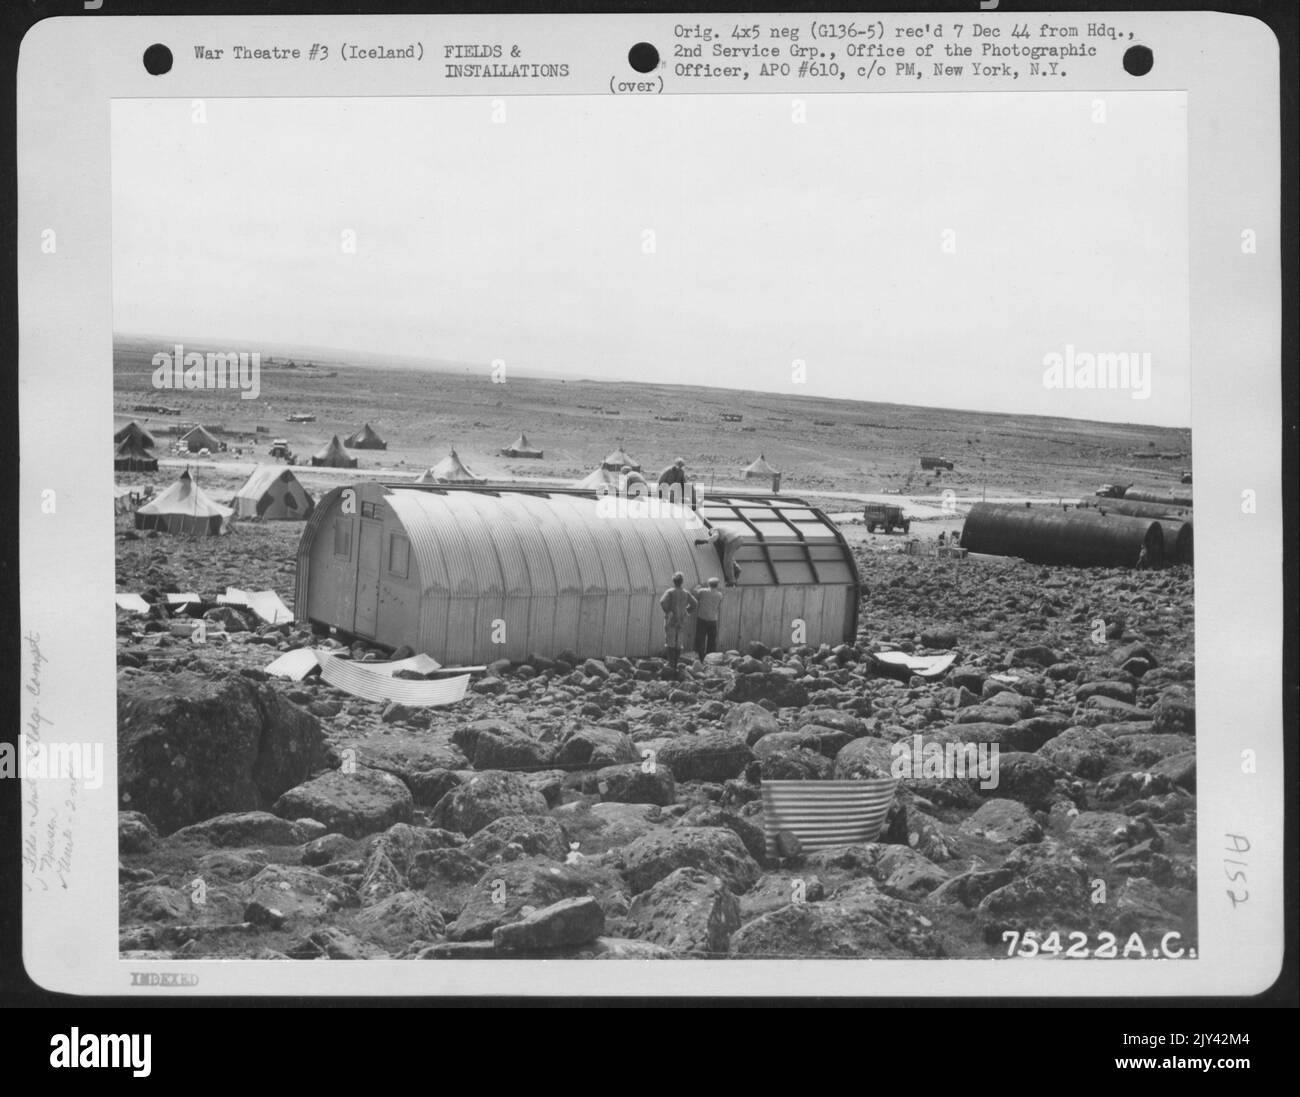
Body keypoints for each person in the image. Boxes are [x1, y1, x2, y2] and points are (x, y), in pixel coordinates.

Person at [660, 572, 697, 673]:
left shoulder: (670, 591)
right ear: (682, 582)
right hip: (681, 620)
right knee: (678, 642)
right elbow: (694, 603)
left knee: (670, 641)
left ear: (673, 581)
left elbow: (662, 602)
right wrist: (686, 612)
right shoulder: (686, 592)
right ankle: (675, 664)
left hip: (671, 620)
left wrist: (668, 611)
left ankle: (671, 664)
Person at [693, 577, 724, 659]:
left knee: (700, 639)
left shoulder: (703, 591)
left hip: (702, 618)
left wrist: (700, 585)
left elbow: (694, 592)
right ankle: (710, 658)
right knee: (712, 641)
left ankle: (701, 657)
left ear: (708, 584)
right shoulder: (719, 595)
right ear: (717, 585)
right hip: (713, 620)